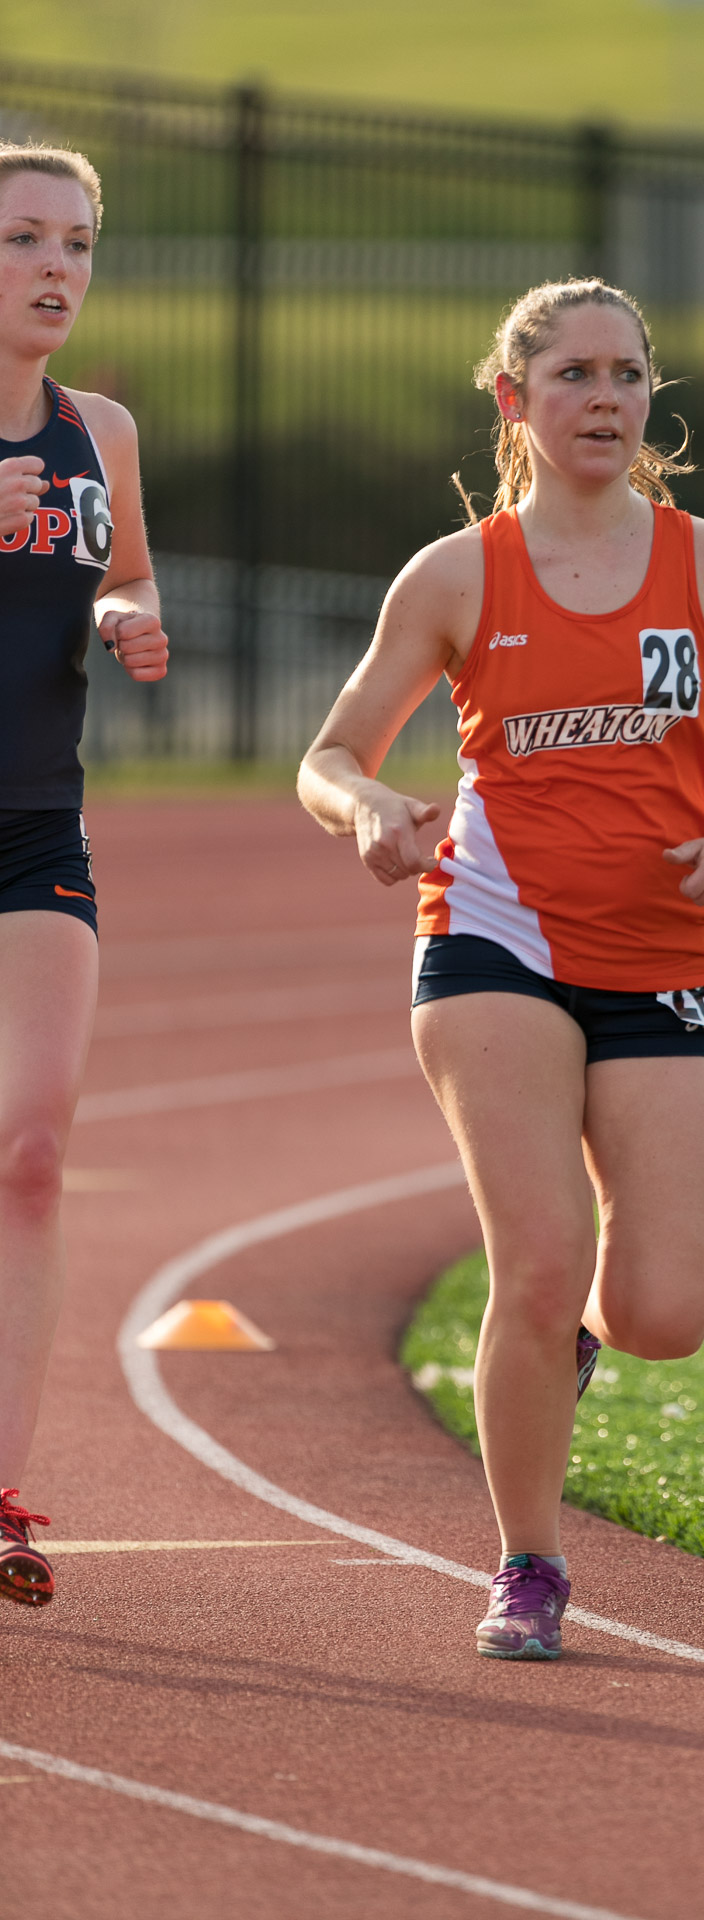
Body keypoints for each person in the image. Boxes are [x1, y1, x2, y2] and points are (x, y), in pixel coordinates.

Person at [298, 277, 704, 1659]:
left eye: (627, 375)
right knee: (539, 1266)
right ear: (516, 400)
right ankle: (528, 1564)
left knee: (664, 1312)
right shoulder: (458, 573)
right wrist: (368, 814)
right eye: (575, 376)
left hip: (667, 946)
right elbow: (330, 752)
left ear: (650, 398)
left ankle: (579, 1347)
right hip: (494, 938)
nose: (604, 400)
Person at [0, 144, 169, 1608]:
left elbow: (128, 572)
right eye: (25, 239)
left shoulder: (97, 428)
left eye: (78, 242)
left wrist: (127, 614)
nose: (58, 265)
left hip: (38, 832)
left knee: (33, 1156)